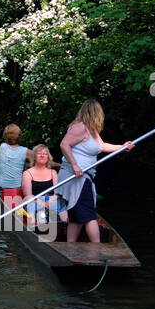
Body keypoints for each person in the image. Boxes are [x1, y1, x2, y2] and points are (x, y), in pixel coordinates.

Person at [55, 99, 133, 243]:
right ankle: (96, 247)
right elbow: (64, 144)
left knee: (76, 214)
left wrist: (122, 146)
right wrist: (75, 165)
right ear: (95, 113)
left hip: (85, 177)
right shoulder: (79, 127)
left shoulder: (92, 131)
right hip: (76, 176)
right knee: (89, 214)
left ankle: (70, 246)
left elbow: (102, 146)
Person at [21, 144, 62, 227]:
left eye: (45, 154)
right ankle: (38, 227)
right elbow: (28, 195)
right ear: (34, 156)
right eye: (39, 153)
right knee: (36, 208)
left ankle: (60, 225)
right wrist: (41, 203)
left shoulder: (53, 172)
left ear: (48, 158)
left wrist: (49, 202)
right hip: (34, 200)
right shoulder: (27, 173)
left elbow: (56, 193)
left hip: (51, 199)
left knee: (61, 210)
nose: (42, 155)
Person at [0, 124, 32, 210]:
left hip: (3, 186)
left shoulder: (2, 147)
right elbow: (40, 157)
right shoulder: (26, 151)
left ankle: (0, 191)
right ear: (19, 136)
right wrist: (58, 164)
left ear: (5, 137)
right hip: (18, 186)